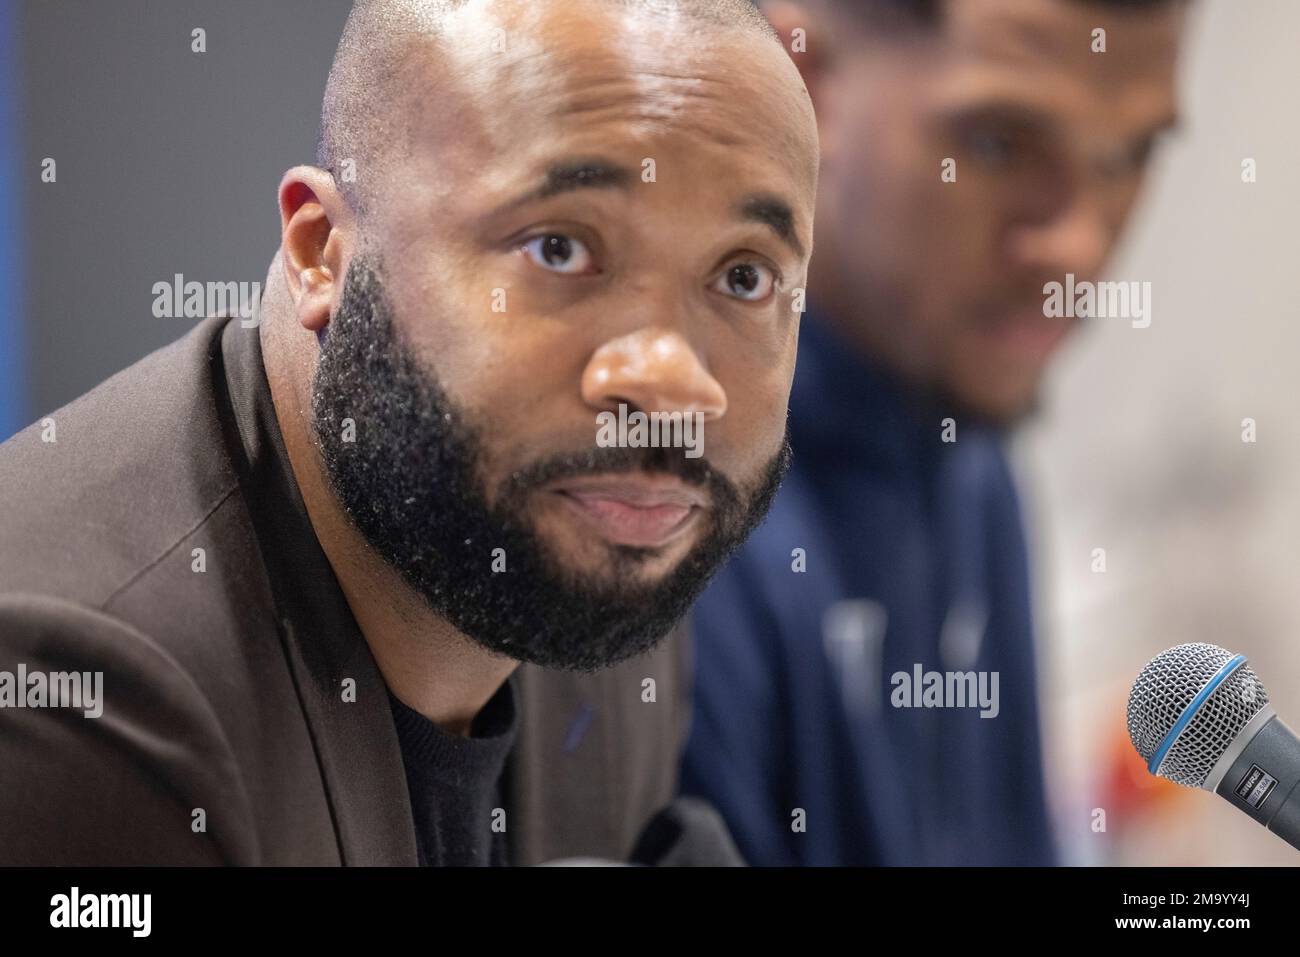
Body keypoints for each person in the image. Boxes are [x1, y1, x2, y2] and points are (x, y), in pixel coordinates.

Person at [0, 0, 819, 865]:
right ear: (320, 251)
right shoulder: (72, 701)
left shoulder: (608, 555)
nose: (671, 387)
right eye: (559, 251)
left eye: (743, 275)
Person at [681, 0, 1187, 864]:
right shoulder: (670, 506)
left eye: (1131, 154)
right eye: (997, 144)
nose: (1079, 247)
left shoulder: (972, 462)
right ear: (806, 84)